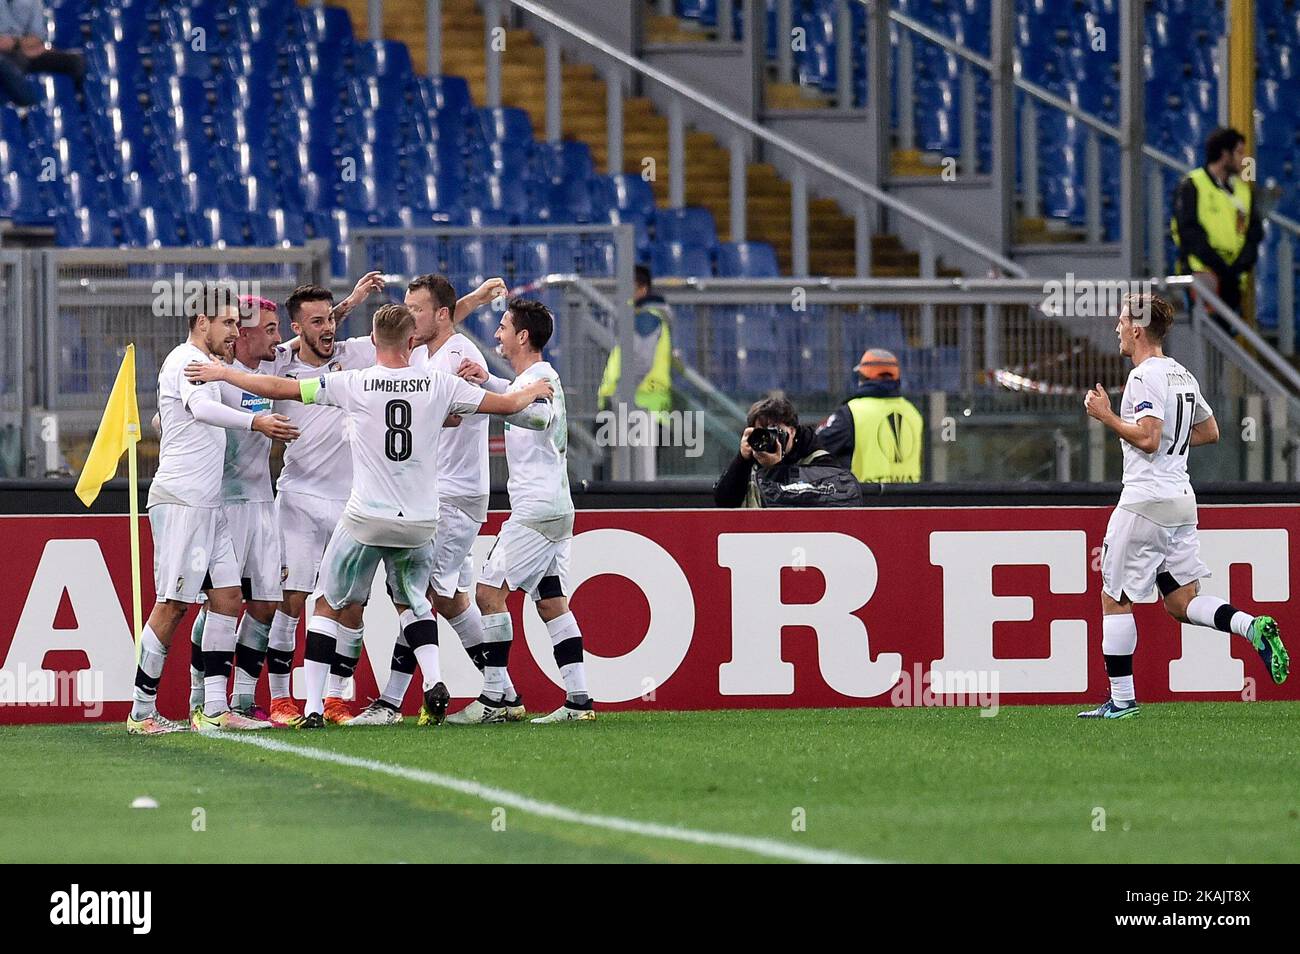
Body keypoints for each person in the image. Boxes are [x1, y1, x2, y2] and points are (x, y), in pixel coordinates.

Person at [185, 303, 554, 729]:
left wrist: (224, 373)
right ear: (412, 342)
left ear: (374, 341)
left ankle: (313, 707)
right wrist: (528, 393)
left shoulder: (354, 383)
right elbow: (505, 406)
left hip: (364, 517)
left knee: (326, 603)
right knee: (414, 603)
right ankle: (433, 679)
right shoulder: (440, 384)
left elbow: (282, 389)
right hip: (419, 520)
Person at [1080, 293, 1288, 719]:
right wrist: (1171, 443)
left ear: (1137, 328)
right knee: (1180, 602)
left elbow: (1149, 438)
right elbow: (1210, 431)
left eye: (1121, 321)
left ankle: (1121, 700)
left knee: (1115, 597)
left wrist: (1106, 416)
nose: (1117, 328)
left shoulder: (1142, 377)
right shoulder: (1181, 374)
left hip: (1145, 502)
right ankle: (1251, 626)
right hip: (1180, 503)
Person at [126, 285, 298, 735]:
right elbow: (200, 408)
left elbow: (181, 414)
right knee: (173, 606)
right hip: (182, 499)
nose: (233, 332)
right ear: (201, 322)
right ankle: (140, 712)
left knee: (227, 599)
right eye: (226, 323)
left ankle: (214, 709)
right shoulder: (184, 361)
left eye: (237, 325)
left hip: (212, 503)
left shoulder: (212, 368)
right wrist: (256, 421)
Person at [347, 273, 517, 726]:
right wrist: (477, 298)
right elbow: (440, 315)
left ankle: (391, 704)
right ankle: (503, 693)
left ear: (439, 316)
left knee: (414, 592)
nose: (408, 316)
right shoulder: (424, 350)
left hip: (455, 493)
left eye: (416, 309)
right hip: (438, 494)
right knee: (446, 599)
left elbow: (457, 418)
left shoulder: (460, 356)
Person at [454, 298, 596, 724]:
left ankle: (496, 699)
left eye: (502, 327)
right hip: (555, 508)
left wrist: (492, 397)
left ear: (522, 336)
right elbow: (522, 399)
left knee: (486, 593)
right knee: (551, 602)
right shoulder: (533, 378)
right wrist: (493, 384)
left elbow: (537, 417)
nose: (496, 334)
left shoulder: (541, 379)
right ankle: (579, 701)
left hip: (535, 512)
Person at [186, 295, 290, 726]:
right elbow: (178, 413)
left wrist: (353, 301)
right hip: (224, 503)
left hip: (263, 503)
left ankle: (245, 698)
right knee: (219, 603)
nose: (278, 338)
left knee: (266, 605)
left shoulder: (270, 371)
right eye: (268, 329)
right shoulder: (214, 375)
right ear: (241, 333)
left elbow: (318, 336)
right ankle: (203, 698)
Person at [1171, 127, 1263, 322]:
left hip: (1234, 280)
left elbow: (1254, 233)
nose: (1244, 158)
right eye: (1239, 152)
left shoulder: (1243, 191)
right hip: (1203, 275)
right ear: (1224, 154)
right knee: (1206, 336)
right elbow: (1189, 232)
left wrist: (1238, 268)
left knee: (1225, 337)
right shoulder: (1192, 185)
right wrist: (1222, 269)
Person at [714, 394, 861, 508]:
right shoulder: (751, 458)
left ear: (792, 430)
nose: (770, 438)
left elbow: (797, 506)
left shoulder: (818, 460)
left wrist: (776, 469)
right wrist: (741, 460)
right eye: (763, 431)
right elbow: (724, 502)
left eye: (775, 431)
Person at [816, 347, 923, 483]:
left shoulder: (852, 412)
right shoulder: (913, 412)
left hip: (865, 498)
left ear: (863, 376)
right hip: (909, 499)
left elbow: (816, 446)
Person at [597, 264, 673, 419]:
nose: (622, 293)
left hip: (638, 406)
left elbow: (642, 360)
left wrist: (620, 393)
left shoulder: (646, 319)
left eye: (628, 287)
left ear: (642, 289)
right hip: (637, 406)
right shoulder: (641, 318)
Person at [0, 0, 86, 108]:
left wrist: (16, 44)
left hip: (27, 52)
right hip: (7, 56)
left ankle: (77, 105)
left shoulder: (32, 2)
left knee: (76, 61)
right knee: (4, 63)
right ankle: (32, 108)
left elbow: (37, 38)